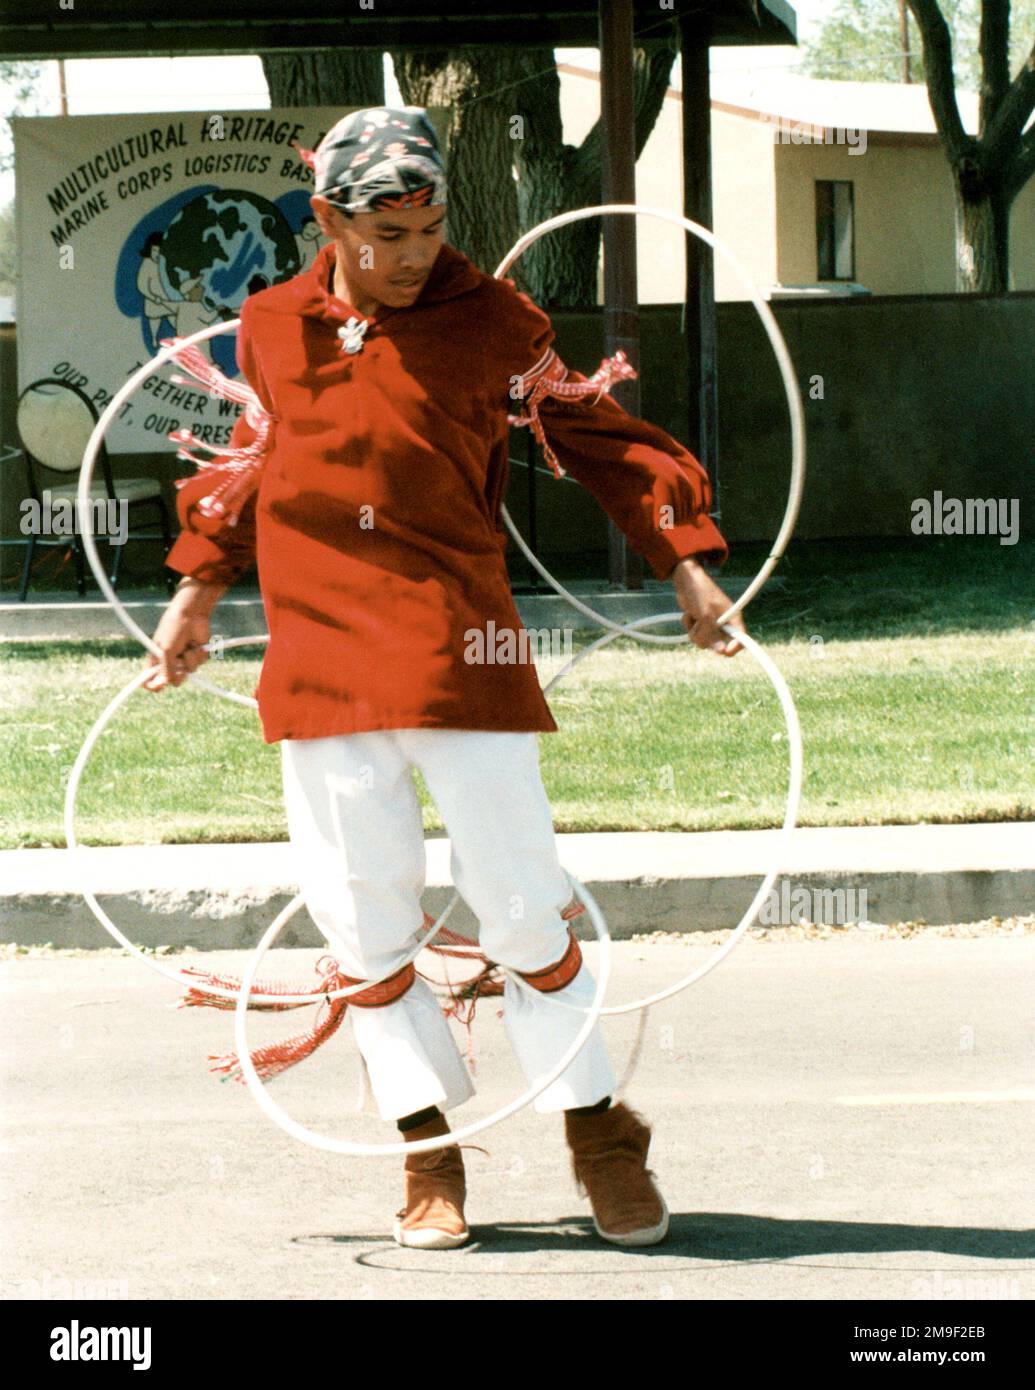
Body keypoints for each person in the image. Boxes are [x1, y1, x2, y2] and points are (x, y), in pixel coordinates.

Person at [145, 105, 746, 1251]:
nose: (417, 253)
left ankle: (599, 1135)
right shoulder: (274, 325)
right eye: (389, 233)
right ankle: (425, 1148)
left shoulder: (495, 320)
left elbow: (597, 435)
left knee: (522, 902)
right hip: (320, 655)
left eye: (430, 227)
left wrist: (685, 560)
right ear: (329, 220)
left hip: (460, 643)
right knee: (365, 918)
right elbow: (255, 463)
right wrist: (194, 595)